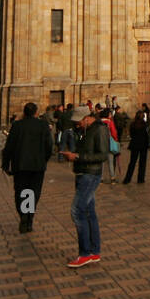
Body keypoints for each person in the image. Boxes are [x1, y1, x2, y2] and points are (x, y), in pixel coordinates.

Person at [57, 106, 107, 268]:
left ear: (87, 118)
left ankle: (85, 253)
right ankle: (94, 252)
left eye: (78, 121)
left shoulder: (99, 129)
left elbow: (103, 155)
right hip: (83, 173)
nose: (76, 124)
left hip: (90, 175)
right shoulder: (86, 130)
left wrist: (77, 156)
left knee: (77, 210)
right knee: (89, 211)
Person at [0, 102, 54, 233]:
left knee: (21, 192)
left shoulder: (17, 126)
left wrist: (6, 164)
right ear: (36, 112)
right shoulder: (43, 125)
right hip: (37, 166)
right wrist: (44, 160)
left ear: (24, 113)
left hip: (21, 165)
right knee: (33, 193)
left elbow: (9, 146)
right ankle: (29, 217)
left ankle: (24, 216)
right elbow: (49, 146)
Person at [123, 108, 150, 184]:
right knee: (142, 163)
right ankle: (140, 179)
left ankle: (127, 179)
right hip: (143, 145)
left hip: (134, 144)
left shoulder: (133, 124)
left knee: (132, 162)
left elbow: (131, 134)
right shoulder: (144, 124)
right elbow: (147, 135)